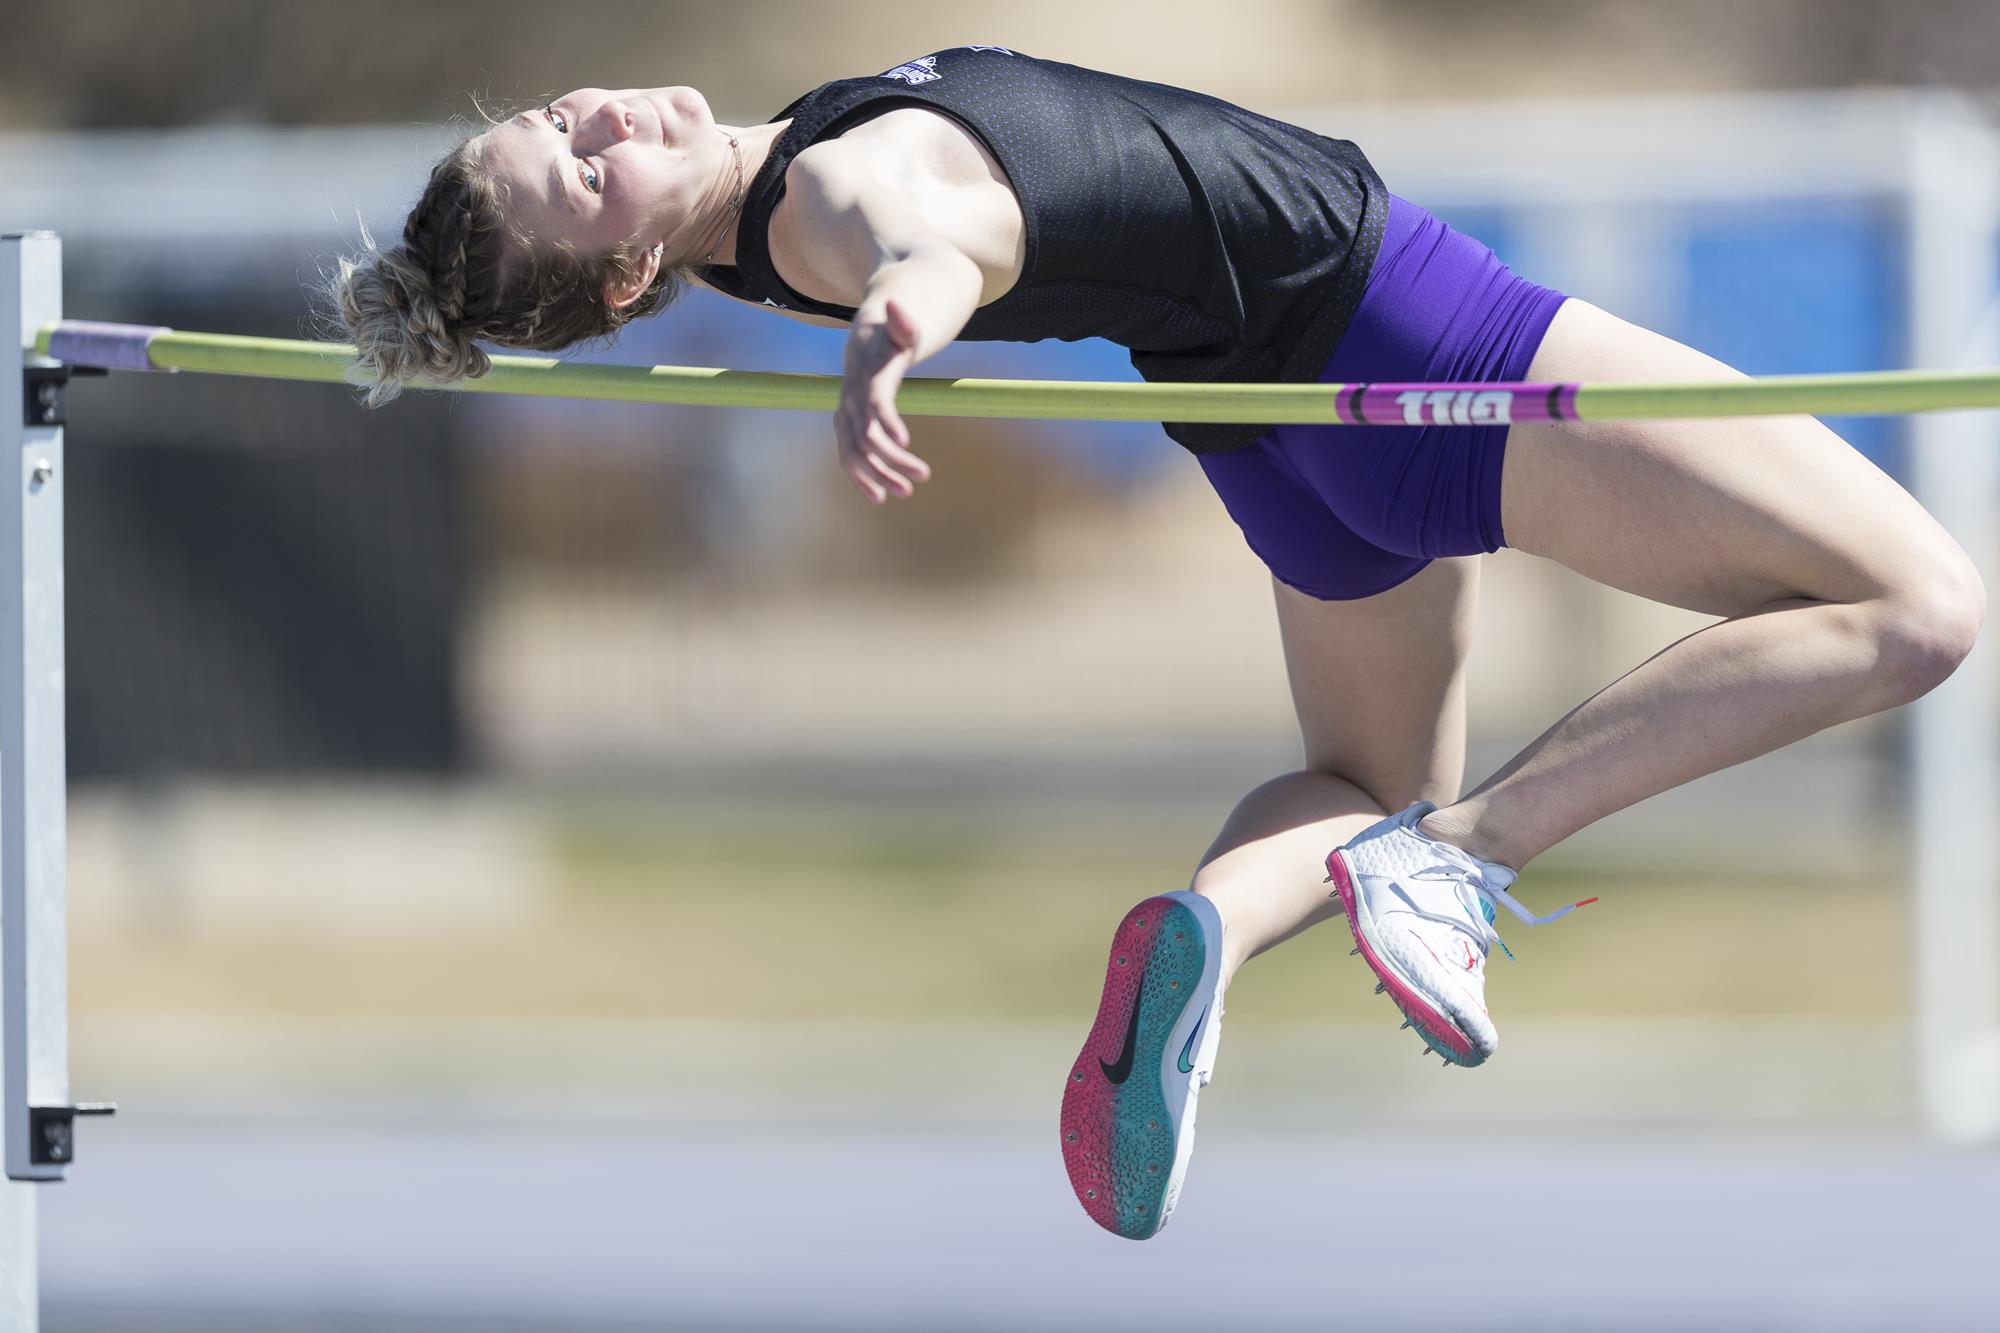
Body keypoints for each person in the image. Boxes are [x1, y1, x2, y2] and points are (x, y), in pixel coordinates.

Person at [332, 45, 1986, 1241]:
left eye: (566, 119)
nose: (606, 117)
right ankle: (1469, 859)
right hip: (1399, 340)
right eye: (590, 168)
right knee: (1917, 607)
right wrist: (898, 331)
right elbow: (927, 238)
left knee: (1362, 776)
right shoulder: (829, 196)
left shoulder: (765, 208)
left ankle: (1207, 929)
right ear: (627, 277)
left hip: (1255, 413)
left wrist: (889, 305)